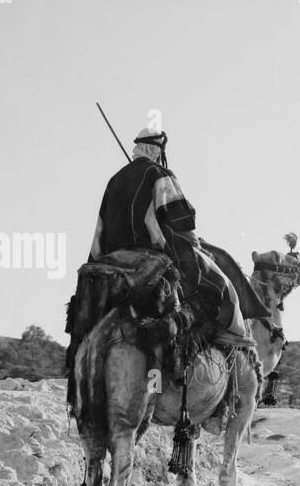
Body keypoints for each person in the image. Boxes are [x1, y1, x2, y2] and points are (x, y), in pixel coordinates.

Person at [89, 128, 250, 347]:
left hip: (109, 257)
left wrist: (96, 260)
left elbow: (101, 227)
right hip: (152, 253)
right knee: (217, 282)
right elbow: (183, 219)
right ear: (156, 149)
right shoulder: (159, 174)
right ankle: (220, 334)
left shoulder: (114, 180)